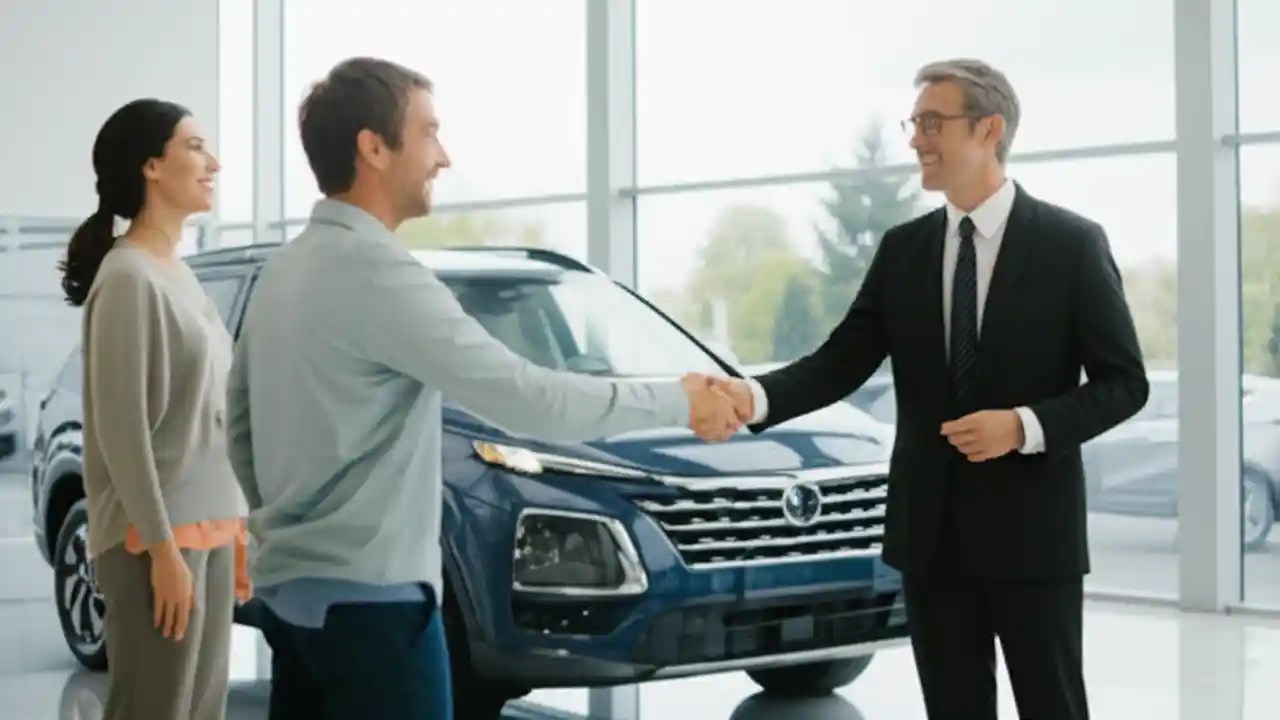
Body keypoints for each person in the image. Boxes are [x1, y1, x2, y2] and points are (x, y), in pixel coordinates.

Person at [225, 56, 740, 719]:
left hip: (292, 603)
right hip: (372, 609)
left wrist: (284, 532)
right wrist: (680, 399)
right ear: (373, 148)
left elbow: (239, 427)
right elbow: (530, 399)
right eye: (429, 132)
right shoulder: (381, 274)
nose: (443, 157)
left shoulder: (283, 270)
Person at [709, 59, 1149, 719]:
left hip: (1033, 538)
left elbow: (1124, 383)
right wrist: (753, 397)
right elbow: (839, 362)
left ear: (988, 129)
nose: (916, 139)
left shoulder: (1071, 244)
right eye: (914, 124)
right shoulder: (904, 250)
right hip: (930, 537)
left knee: (1052, 707)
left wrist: (1023, 426)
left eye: (932, 123)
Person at [58, 98, 251, 720]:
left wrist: (237, 523)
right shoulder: (128, 277)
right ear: (151, 166)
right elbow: (123, 432)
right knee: (154, 708)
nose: (213, 162)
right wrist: (165, 552)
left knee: (202, 710)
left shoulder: (176, 273)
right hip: (155, 539)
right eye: (195, 147)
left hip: (209, 526)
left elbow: (210, 414)